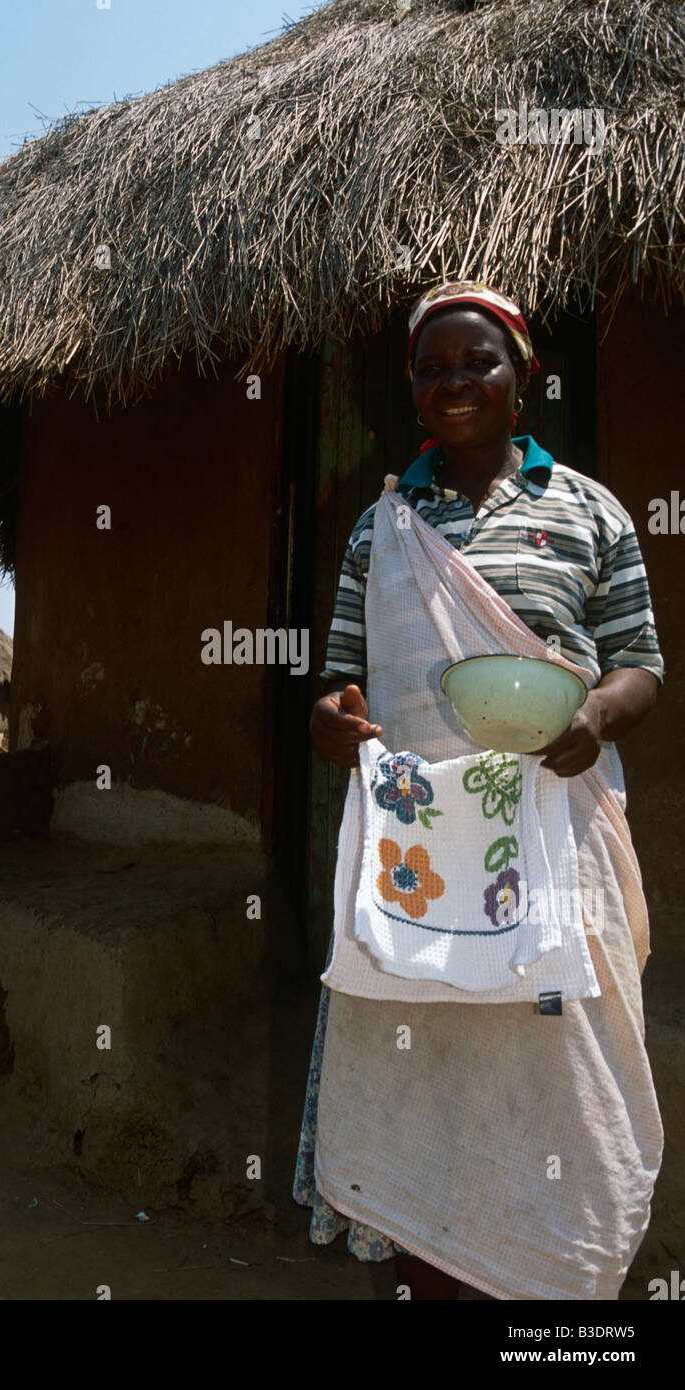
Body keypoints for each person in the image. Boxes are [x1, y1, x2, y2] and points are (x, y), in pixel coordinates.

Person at [293, 281, 664, 1301]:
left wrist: (595, 715)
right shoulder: (383, 528)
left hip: (554, 823)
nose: (452, 381)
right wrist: (330, 722)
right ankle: (429, 1261)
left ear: (521, 379)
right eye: (430, 368)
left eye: (475, 362)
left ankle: (557, 1277)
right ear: (411, 392)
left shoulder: (586, 509)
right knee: (428, 1054)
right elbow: (336, 674)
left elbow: (639, 661)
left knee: (561, 1050)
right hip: (419, 843)